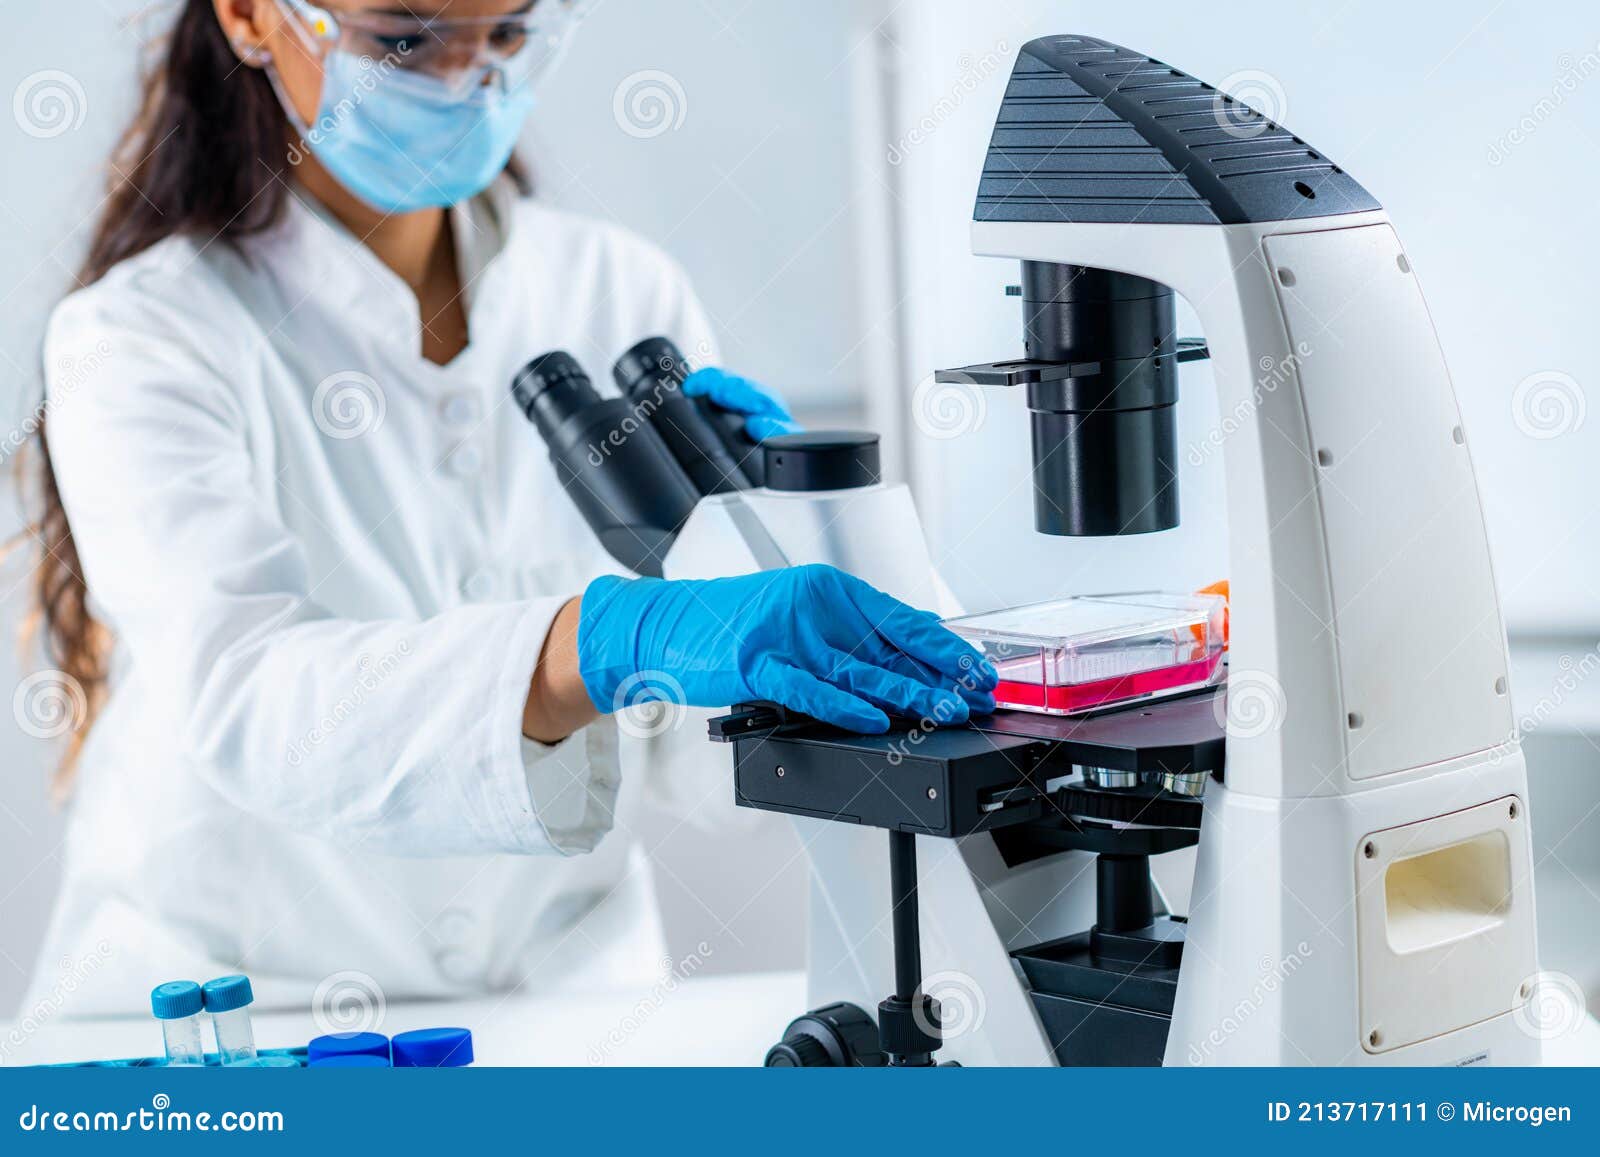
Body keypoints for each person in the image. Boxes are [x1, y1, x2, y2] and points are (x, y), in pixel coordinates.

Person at [18, 0, 994, 1017]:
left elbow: (711, 768)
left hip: (560, 998)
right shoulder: (140, 334)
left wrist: (789, 534)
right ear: (252, 16)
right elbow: (250, 697)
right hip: (239, 1003)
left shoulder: (611, 285)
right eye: (403, 38)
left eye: (508, 37)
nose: (463, 81)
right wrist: (602, 639)